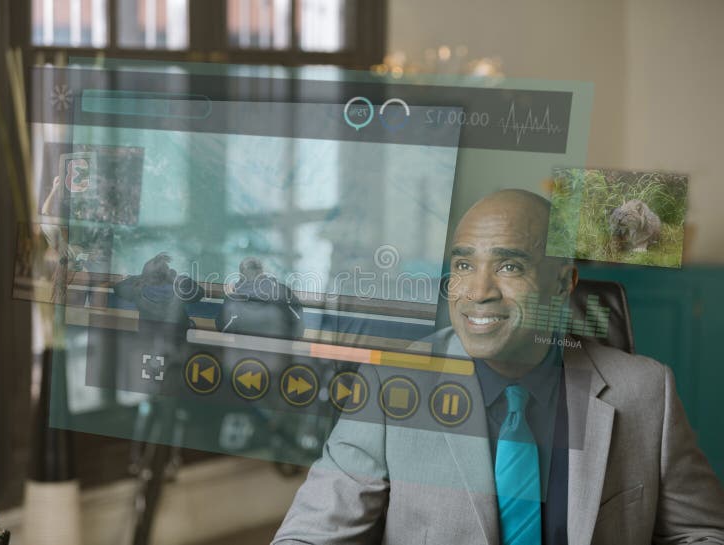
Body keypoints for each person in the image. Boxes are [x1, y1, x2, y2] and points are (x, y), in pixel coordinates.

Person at [272, 189, 724, 545]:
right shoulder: (390, 385)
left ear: (561, 282)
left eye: (509, 265)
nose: (478, 291)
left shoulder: (646, 391)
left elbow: (701, 533)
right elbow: (309, 535)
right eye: (464, 264)